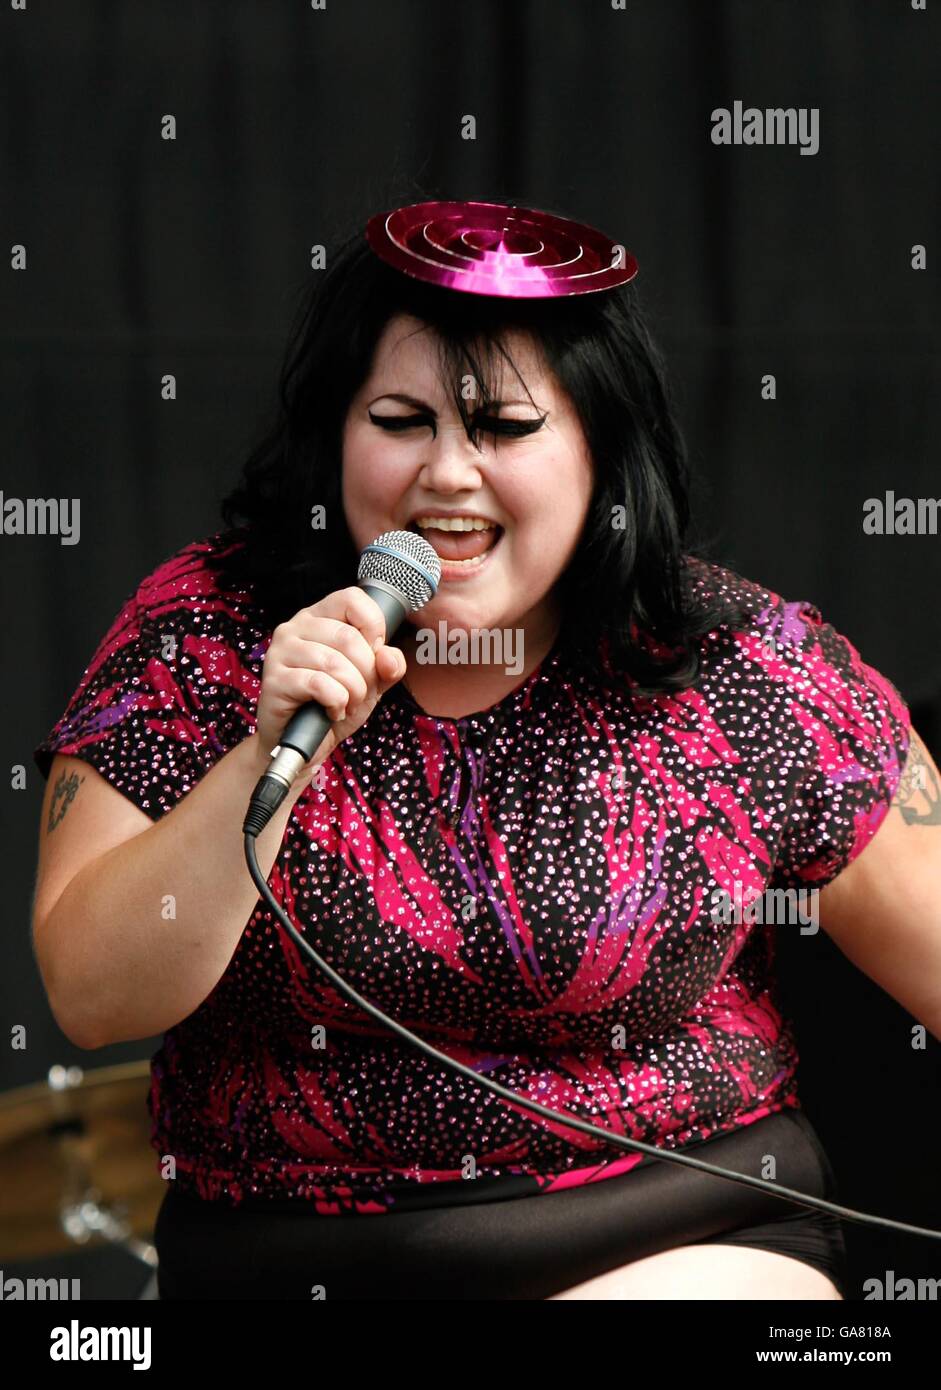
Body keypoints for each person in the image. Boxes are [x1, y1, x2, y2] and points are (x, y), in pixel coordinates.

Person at [31, 200, 926, 1301]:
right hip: (278, 1263)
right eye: (401, 419)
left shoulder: (739, 666)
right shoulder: (204, 635)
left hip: (674, 1238)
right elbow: (92, 995)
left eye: (502, 427)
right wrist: (270, 754)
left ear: (602, 450)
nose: (448, 474)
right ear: (338, 434)